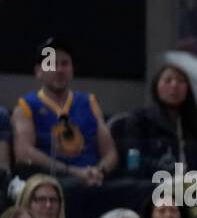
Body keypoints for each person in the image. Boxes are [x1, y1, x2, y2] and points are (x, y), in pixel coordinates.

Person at [12, 37, 119, 193]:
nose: (59, 69)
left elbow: (110, 153)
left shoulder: (90, 102)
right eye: (52, 64)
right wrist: (73, 172)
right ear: (38, 72)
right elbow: (24, 153)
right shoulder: (26, 106)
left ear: (72, 69)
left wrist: (98, 172)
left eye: (64, 64)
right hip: (53, 181)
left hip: (93, 180)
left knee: (138, 189)